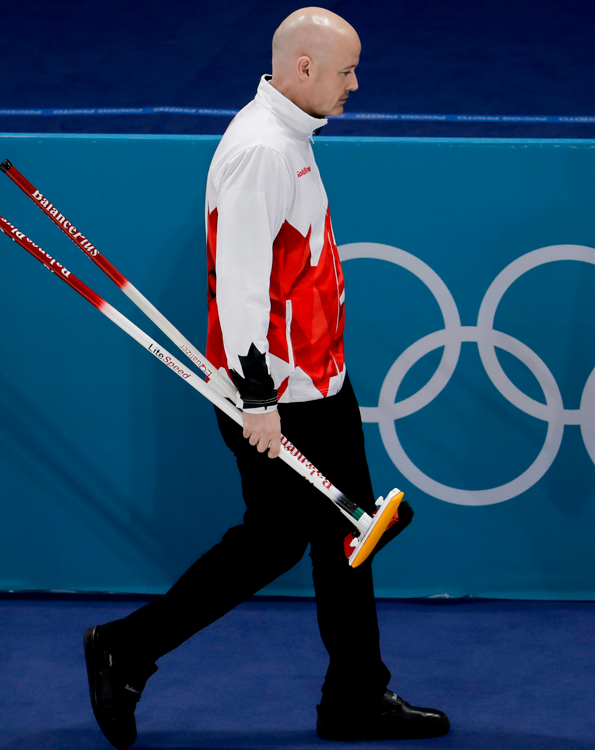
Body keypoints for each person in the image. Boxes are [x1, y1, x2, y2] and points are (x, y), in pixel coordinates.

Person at [82, 8, 449, 749]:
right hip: (278, 398)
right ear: (305, 68)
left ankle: (354, 695)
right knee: (276, 542)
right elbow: (241, 284)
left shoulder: (291, 138)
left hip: (320, 385)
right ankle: (127, 647)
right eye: (346, 71)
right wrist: (257, 398)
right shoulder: (261, 151)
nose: (356, 85)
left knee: (352, 535)